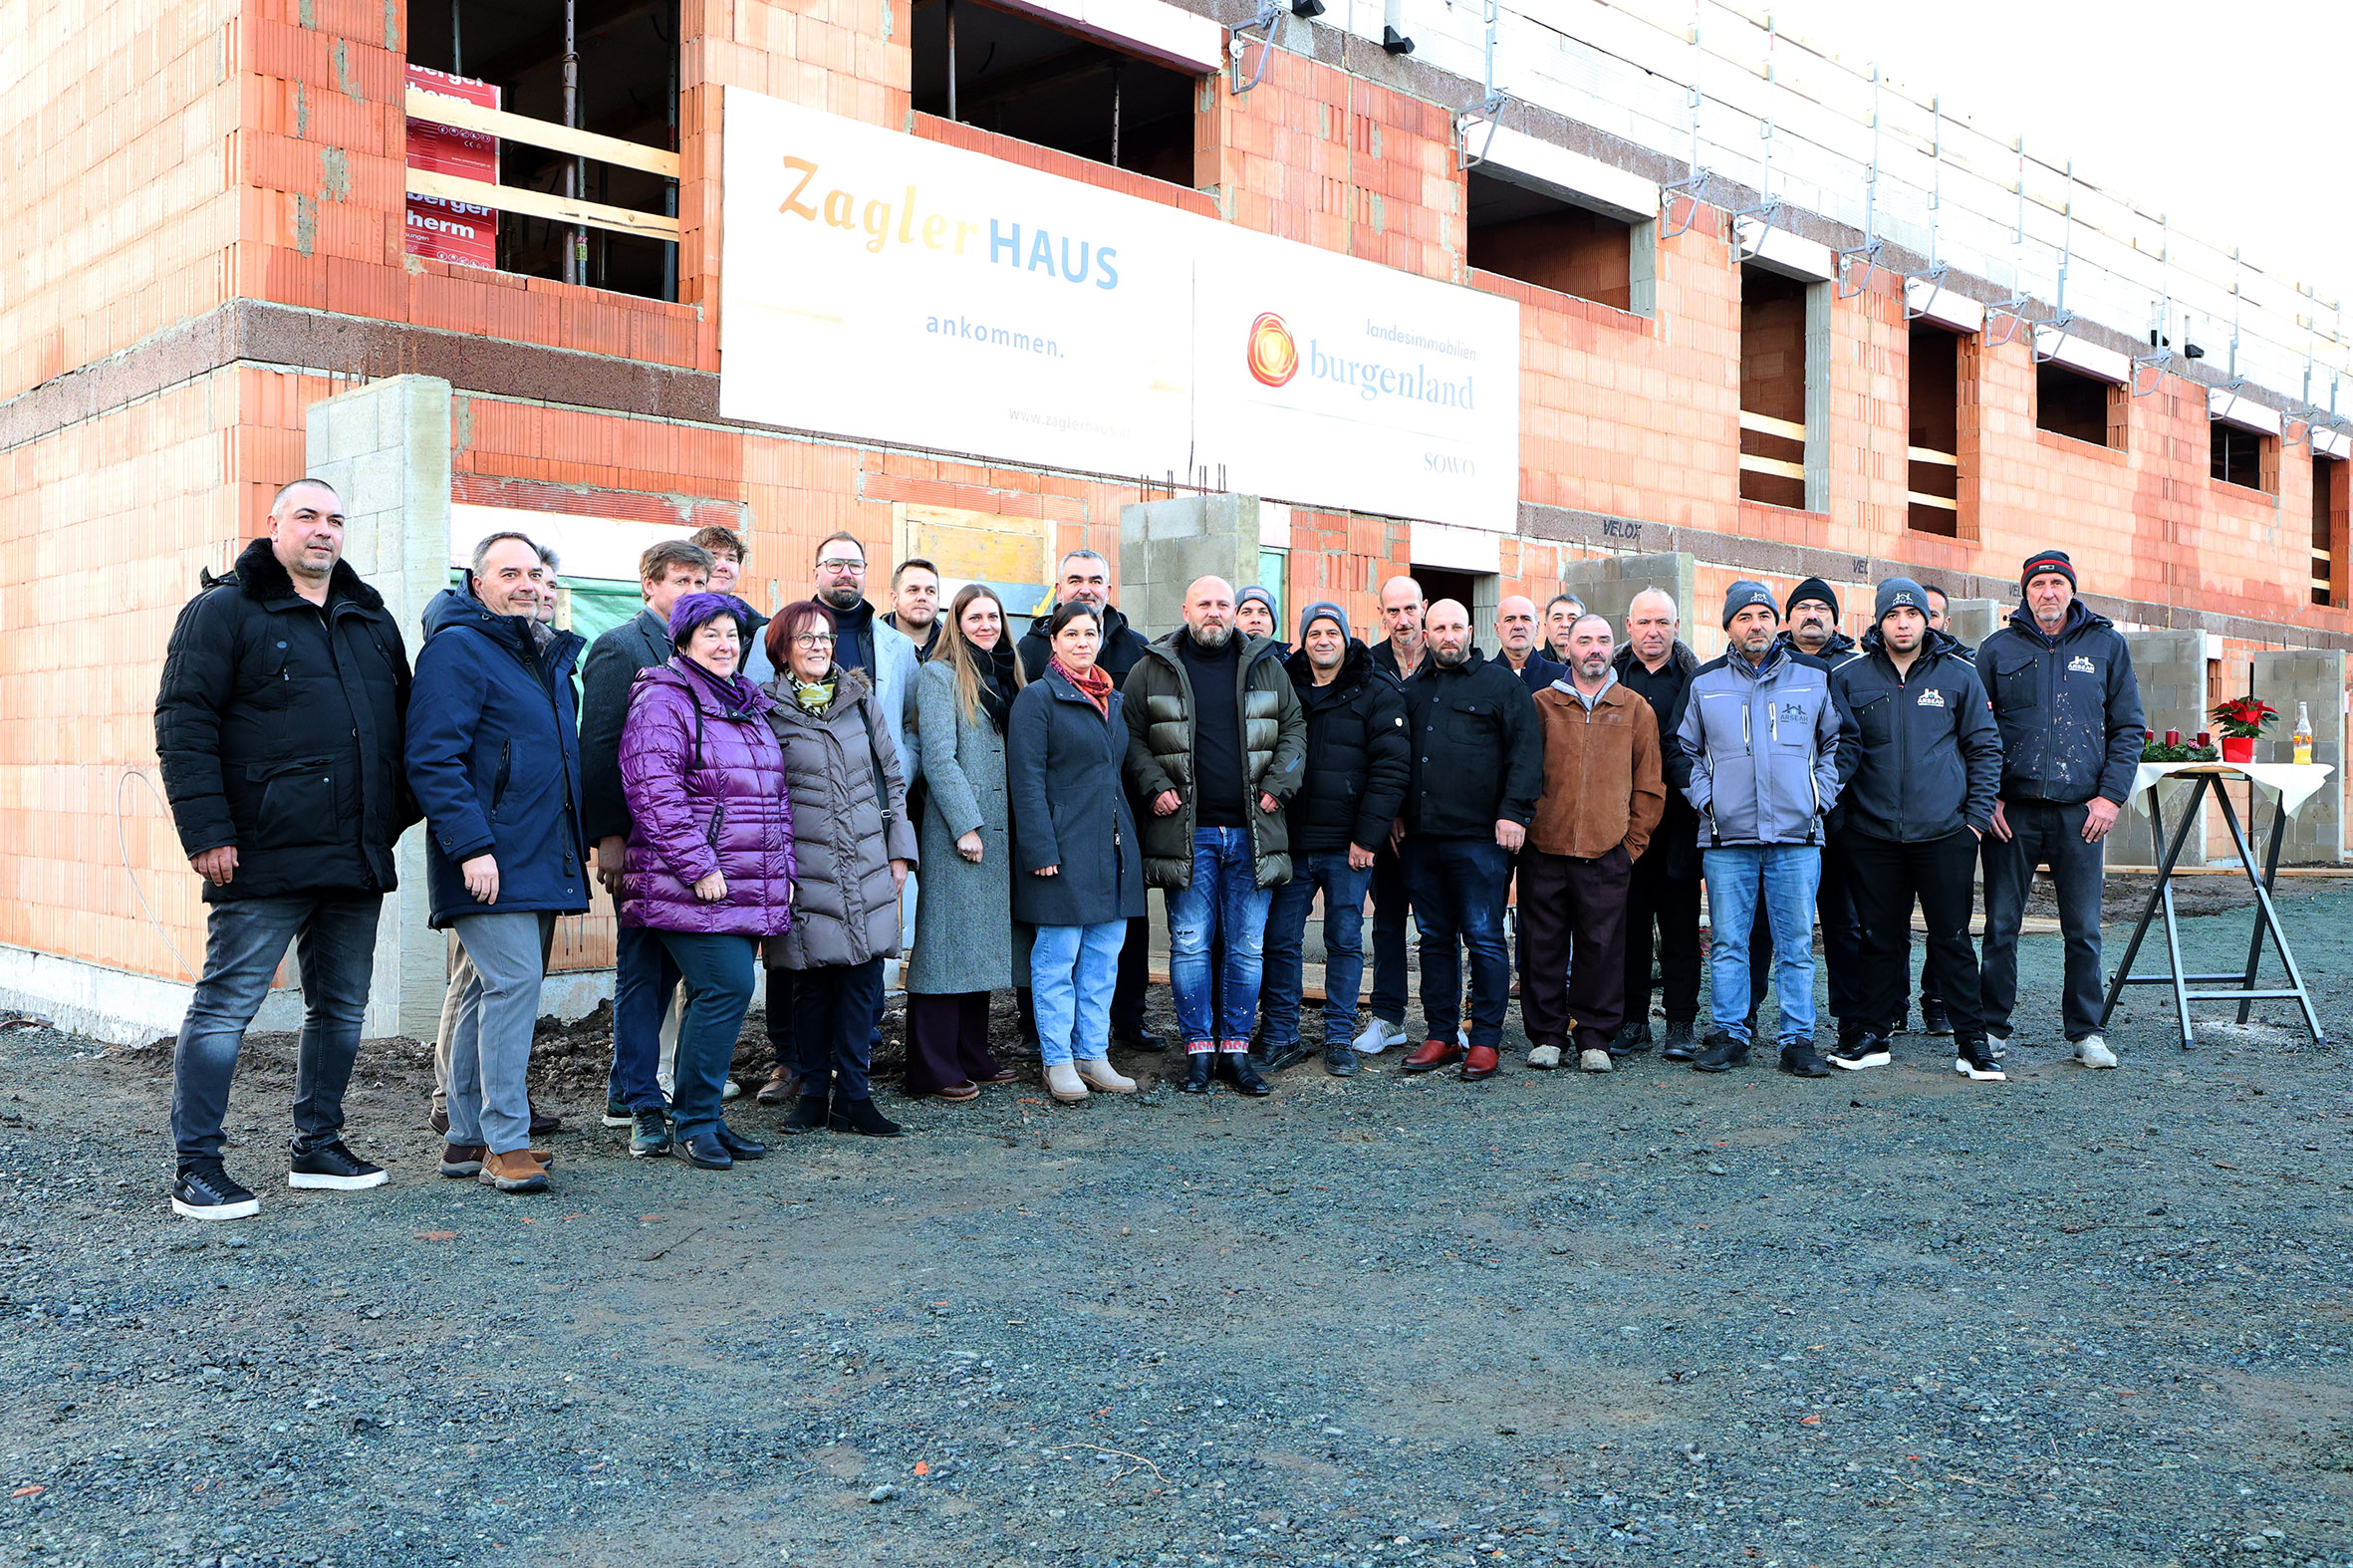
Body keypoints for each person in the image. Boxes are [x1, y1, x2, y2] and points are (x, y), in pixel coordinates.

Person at [153, 479, 415, 1220]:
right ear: (273, 526)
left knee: (341, 1009)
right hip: (260, 852)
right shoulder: (222, 611)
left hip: (354, 852)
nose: (323, 531)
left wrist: (391, 815)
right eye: (308, 516)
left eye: (336, 519)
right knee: (225, 1007)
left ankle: (318, 1146)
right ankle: (196, 1167)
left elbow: (401, 723)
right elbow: (184, 721)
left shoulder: (370, 618)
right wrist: (207, 832)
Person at [405, 531, 590, 1193]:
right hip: (489, 857)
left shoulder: (542, 660)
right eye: (510, 572)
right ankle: (506, 1142)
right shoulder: (458, 649)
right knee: (513, 988)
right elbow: (433, 756)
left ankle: (465, 1139)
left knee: (490, 992)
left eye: (538, 573)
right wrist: (472, 846)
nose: (529, 584)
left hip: (538, 855)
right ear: (476, 584)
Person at [615, 593, 796, 1166]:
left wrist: (781, 872)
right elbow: (653, 789)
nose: (725, 645)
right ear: (685, 640)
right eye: (712, 634)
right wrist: (698, 866)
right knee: (727, 986)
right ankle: (691, 1121)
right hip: (689, 880)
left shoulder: (744, 701)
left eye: (733, 635)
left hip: (741, 878)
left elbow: (773, 798)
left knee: (706, 990)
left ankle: (703, 1117)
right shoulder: (666, 699)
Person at [1124, 576, 1308, 1096]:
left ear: (1234, 611)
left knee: (1248, 949)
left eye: (1222, 604)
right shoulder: (1151, 670)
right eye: (1203, 603)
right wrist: (1153, 783)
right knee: (1189, 946)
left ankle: (1236, 1051)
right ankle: (1199, 1051)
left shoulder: (1267, 665)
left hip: (1254, 831)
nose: (1214, 612)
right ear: (1185, 608)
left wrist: (1279, 784)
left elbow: (1294, 730)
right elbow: (1131, 736)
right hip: (1188, 833)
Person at [757, 533, 920, 1105]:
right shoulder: (764, 710)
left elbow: (892, 777)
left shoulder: (859, 698)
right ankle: (808, 1095)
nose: (820, 646)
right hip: (802, 864)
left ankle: (856, 1095)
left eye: (825, 638)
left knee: (861, 981)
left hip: (866, 855)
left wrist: (901, 848)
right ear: (782, 649)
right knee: (809, 984)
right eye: (807, 639)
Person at [1828, 579, 2004, 1082]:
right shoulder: (1849, 677)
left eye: (1913, 613)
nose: (1903, 622)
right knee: (1879, 938)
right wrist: (1842, 822)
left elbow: (1985, 748)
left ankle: (1972, 1042)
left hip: (1945, 833)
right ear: (1879, 622)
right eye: (1893, 614)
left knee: (1951, 938)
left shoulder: (1959, 676)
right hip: (1870, 834)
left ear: (1929, 620)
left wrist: (1974, 820)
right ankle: (1873, 1034)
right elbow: (1834, 749)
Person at [1977, 550, 2144, 1071]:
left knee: (2083, 928)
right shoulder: (1997, 649)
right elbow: (1975, 732)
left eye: (2056, 583)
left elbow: (2127, 728)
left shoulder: (2105, 646)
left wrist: (2111, 796)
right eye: (2038, 584)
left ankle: (2086, 1031)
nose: (2047, 592)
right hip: (2013, 814)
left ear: (2071, 588)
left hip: (2081, 812)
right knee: (2002, 924)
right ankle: (1991, 1027)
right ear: (2024, 592)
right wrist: (1991, 797)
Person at [1677, 581, 1842, 1077]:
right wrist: (1709, 803)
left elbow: (1839, 742)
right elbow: (1681, 750)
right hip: (1728, 840)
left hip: (1797, 838)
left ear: (1779, 622)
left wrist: (1818, 797)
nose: (1756, 625)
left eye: (1765, 615)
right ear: (1728, 626)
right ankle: (1730, 1033)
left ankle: (1797, 1039)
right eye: (1744, 616)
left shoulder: (1813, 677)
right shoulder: (1704, 683)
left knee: (1795, 944)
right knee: (1729, 942)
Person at [580, 540, 714, 1133]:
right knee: (642, 968)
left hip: (692, 839)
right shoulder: (620, 646)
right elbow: (602, 745)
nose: (693, 592)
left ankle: (625, 1085)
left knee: (670, 970)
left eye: (701, 582)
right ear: (649, 586)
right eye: (682, 581)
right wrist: (610, 835)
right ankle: (634, 1094)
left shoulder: (706, 649)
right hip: (638, 839)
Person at [1015, 547, 1160, 1053]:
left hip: (1112, 848)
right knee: (1057, 960)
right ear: (1053, 640)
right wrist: (1040, 848)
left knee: (1102, 963)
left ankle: (1092, 1054)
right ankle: (1057, 1057)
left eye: (1090, 633)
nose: (1082, 641)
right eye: (1071, 633)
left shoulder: (1115, 697)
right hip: (1061, 846)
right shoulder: (1036, 694)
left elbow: (1124, 765)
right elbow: (1027, 779)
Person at [1256, 602, 1409, 1078]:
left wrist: (1368, 838)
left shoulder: (1375, 687)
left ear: (1346, 637)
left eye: (1332, 632)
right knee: (1281, 939)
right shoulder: (1284, 683)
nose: (1323, 640)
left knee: (1344, 939)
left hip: (1348, 847)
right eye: (1314, 632)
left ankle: (1339, 1035)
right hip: (1292, 840)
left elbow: (1390, 769)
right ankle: (1281, 1033)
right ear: (1302, 638)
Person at [1398, 600, 1542, 1082]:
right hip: (1421, 838)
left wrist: (1514, 813)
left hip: (1482, 840)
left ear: (1471, 630)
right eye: (1439, 627)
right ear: (1425, 632)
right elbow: (1394, 759)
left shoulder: (1502, 686)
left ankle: (1484, 1041)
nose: (1448, 635)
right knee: (1435, 938)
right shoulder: (1411, 691)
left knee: (1483, 938)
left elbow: (1526, 753)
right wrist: (1396, 815)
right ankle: (1441, 1034)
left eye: (1457, 627)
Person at [1520, 614, 1665, 1073]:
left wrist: (1630, 846)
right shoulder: (1541, 704)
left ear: (1613, 647)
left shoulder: (1635, 708)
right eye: (1585, 641)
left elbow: (1650, 785)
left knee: (1602, 949)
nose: (1595, 649)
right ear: (1568, 649)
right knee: (1541, 946)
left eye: (1604, 640)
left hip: (1608, 853)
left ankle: (1595, 1036)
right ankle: (1546, 1035)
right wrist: (1529, 831)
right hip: (1545, 849)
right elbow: (1521, 773)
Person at [905, 585, 1024, 1100]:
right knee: (946, 947)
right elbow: (938, 757)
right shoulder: (938, 675)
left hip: (1003, 828)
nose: (985, 625)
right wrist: (965, 825)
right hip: (962, 831)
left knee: (978, 946)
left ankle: (973, 1052)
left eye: (992, 616)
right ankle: (932, 1065)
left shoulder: (1009, 675)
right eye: (973, 617)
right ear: (955, 622)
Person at [1748, 576, 1866, 1053]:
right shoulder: (1760, 666)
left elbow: (1850, 741)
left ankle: (1850, 1018)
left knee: (1841, 924)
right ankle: (1747, 1014)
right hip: (1766, 826)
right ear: (1786, 618)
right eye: (1802, 607)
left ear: (1836, 620)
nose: (1812, 614)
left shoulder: (1854, 670)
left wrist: (1821, 795)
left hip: (1833, 823)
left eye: (1822, 607)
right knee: (1759, 923)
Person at [1609, 589, 1704, 1062]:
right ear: (1629, 626)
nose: (1653, 631)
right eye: (1644, 622)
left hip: (1682, 824)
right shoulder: (1608, 677)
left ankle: (1681, 1023)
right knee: (1629, 926)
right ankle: (1633, 1021)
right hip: (1623, 823)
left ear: (1676, 626)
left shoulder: (1696, 680)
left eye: (1662, 623)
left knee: (1683, 928)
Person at [1359, 574, 1431, 1058]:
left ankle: (1447, 1018)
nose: (1402, 620)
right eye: (1393, 611)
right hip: (1383, 822)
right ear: (1380, 614)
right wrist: (1385, 815)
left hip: (1438, 820)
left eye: (1410, 609)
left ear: (1423, 608)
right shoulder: (1366, 664)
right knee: (1387, 920)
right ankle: (1387, 1018)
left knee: (1440, 925)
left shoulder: (1451, 661)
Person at [689, 524, 773, 682]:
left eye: (731, 559)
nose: (723, 566)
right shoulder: (673, 620)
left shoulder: (757, 630)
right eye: (713, 557)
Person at [1492, 595, 1566, 691]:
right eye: (1509, 620)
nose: (1518, 626)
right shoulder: (1482, 677)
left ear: (1537, 627)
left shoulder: (1562, 677)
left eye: (1525, 619)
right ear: (1497, 629)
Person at [886, 557, 943, 659]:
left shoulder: (957, 648)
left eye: (930, 591)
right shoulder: (872, 644)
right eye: (913, 590)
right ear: (894, 598)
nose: (922, 597)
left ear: (938, 600)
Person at [1541, 593, 1587, 665]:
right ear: (1546, 628)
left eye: (1572, 618)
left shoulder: (1594, 664)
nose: (1564, 624)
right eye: (1557, 618)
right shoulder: (1531, 666)